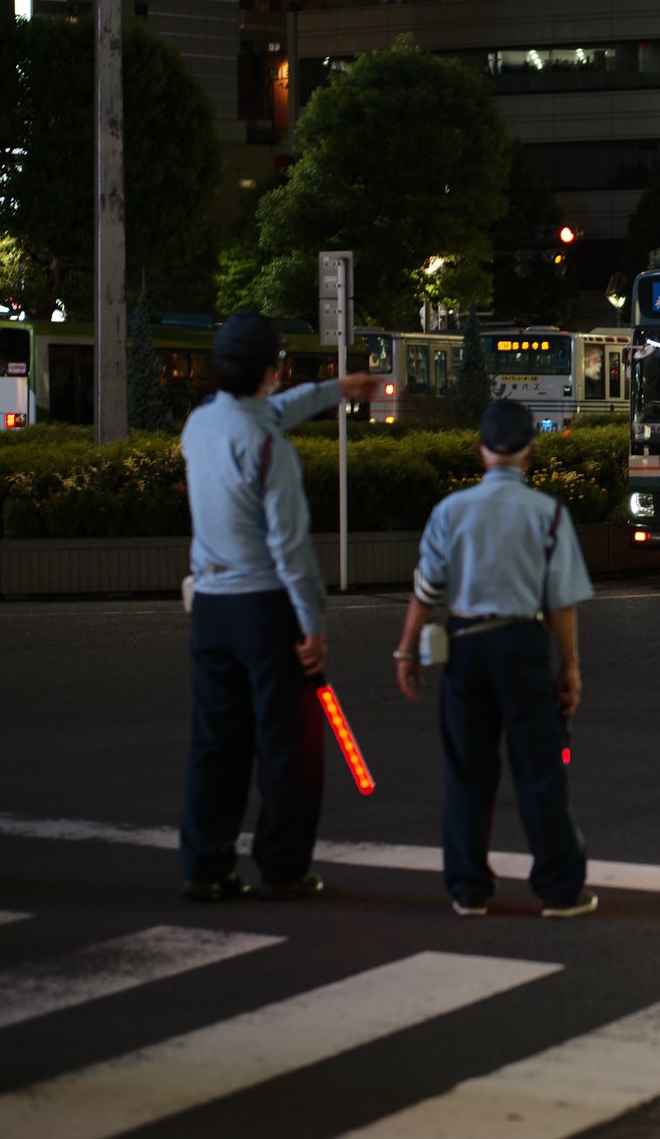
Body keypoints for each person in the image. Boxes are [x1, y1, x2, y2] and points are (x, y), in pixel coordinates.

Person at [180, 312, 379, 901]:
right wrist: (313, 624)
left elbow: (264, 411)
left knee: (216, 742)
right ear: (272, 371)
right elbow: (291, 550)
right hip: (266, 608)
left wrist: (334, 392)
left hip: (211, 607)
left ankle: (206, 865)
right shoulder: (271, 449)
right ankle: (283, 865)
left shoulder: (199, 426)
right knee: (289, 745)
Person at [394, 400, 598, 918]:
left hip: (464, 645)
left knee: (468, 769)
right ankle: (558, 889)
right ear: (531, 449)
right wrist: (569, 666)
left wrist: (407, 650)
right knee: (539, 768)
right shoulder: (548, 513)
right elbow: (560, 602)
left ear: (479, 450)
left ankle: (468, 888)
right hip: (522, 645)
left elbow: (426, 589)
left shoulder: (450, 511)